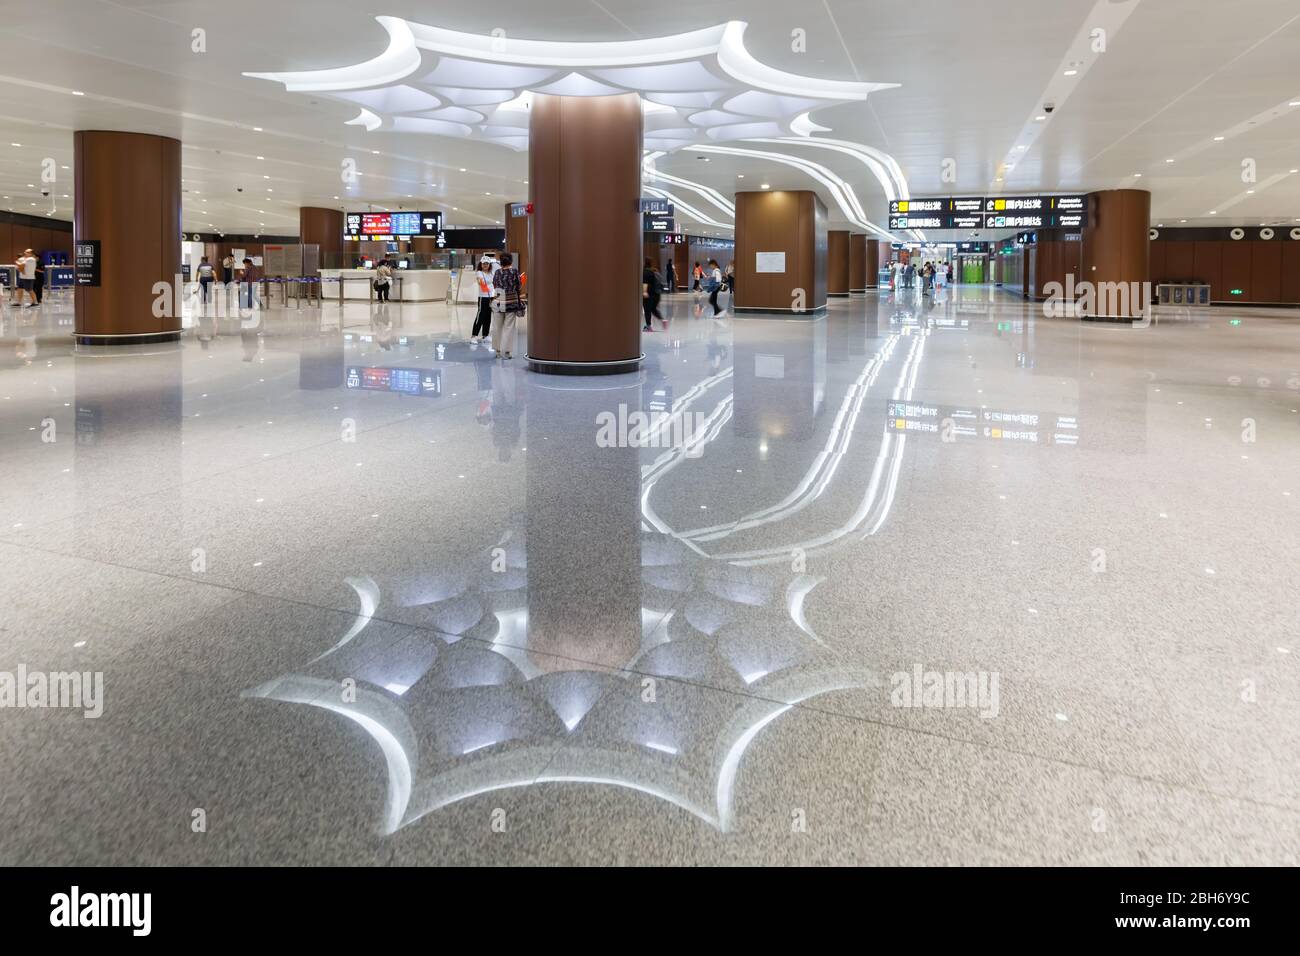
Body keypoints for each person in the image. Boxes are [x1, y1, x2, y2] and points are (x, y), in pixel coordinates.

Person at [491, 252, 524, 360]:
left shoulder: (497, 272)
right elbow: (518, 286)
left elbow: (494, 285)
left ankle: (497, 350)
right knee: (508, 327)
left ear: (501, 261)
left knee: (497, 326)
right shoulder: (514, 272)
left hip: (499, 302)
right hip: (511, 302)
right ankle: (506, 351)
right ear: (511, 261)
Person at [471, 259, 494, 344]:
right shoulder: (479, 273)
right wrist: (490, 284)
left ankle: (485, 335)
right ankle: (474, 336)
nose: (485, 265)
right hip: (482, 297)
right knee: (480, 316)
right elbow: (482, 285)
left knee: (488, 316)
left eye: (487, 264)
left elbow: (493, 283)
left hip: (491, 297)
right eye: (483, 264)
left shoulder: (491, 273)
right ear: (481, 264)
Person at [642, 257, 664, 331]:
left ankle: (648, 327)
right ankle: (663, 320)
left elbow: (645, 283)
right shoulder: (654, 271)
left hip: (648, 293)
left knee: (647, 310)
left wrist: (644, 292)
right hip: (656, 294)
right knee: (653, 309)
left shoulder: (646, 272)